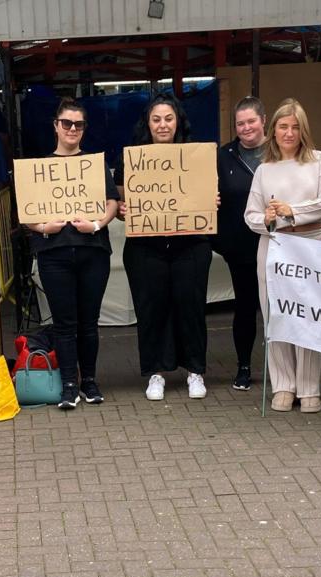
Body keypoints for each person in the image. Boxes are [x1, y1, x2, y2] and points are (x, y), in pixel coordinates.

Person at [115, 93, 213, 402]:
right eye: (156, 119)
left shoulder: (197, 156)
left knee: (192, 308)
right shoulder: (131, 159)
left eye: (168, 118)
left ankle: (195, 371)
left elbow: (208, 195)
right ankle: (155, 373)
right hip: (146, 248)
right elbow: (121, 200)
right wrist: (123, 209)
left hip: (190, 246)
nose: (162, 124)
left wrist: (212, 203)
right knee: (151, 310)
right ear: (148, 122)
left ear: (177, 121)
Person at [244, 98, 321, 414]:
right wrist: (270, 220)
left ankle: (310, 386)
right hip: (274, 246)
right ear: (274, 130)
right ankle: (283, 384)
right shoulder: (264, 169)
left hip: (311, 245)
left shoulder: (319, 161)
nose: (289, 132)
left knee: (309, 315)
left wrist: (291, 211)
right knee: (276, 314)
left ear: (304, 130)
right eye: (283, 126)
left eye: (295, 127)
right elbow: (250, 215)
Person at [26, 98, 120, 409]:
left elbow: (111, 204)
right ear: (56, 125)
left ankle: (89, 381)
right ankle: (68, 385)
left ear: (84, 129)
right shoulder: (38, 168)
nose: (72, 129)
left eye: (78, 125)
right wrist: (43, 228)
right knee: (65, 323)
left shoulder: (95, 165)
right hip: (54, 254)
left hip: (93, 251)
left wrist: (95, 224)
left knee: (89, 322)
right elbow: (25, 214)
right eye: (66, 123)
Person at [214, 96, 267, 392]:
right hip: (242, 247)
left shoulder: (279, 152)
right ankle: (244, 366)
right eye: (240, 123)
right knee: (245, 308)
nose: (246, 128)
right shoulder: (223, 156)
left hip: (280, 245)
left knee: (279, 308)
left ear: (263, 121)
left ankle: (284, 369)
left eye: (251, 121)